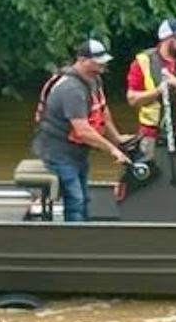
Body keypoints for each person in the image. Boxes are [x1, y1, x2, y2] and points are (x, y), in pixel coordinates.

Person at [31, 39, 131, 222]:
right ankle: (73, 240)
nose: (103, 64)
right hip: (57, 150)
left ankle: (84, 232)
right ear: (82, 60)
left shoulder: (94, 79)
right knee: (75, 198)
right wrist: (112, 149)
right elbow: (83, 130)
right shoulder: (71, 89)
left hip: (77, 151)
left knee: (85, 197)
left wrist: (117, 138)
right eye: (98, 61)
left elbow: (102, 111)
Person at [126, 17, 176, 221]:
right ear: (166, 39)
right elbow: (132, 99)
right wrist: (157, 92)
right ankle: (148, 225)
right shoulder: (143, 62)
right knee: (149, 184)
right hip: (151, 134)